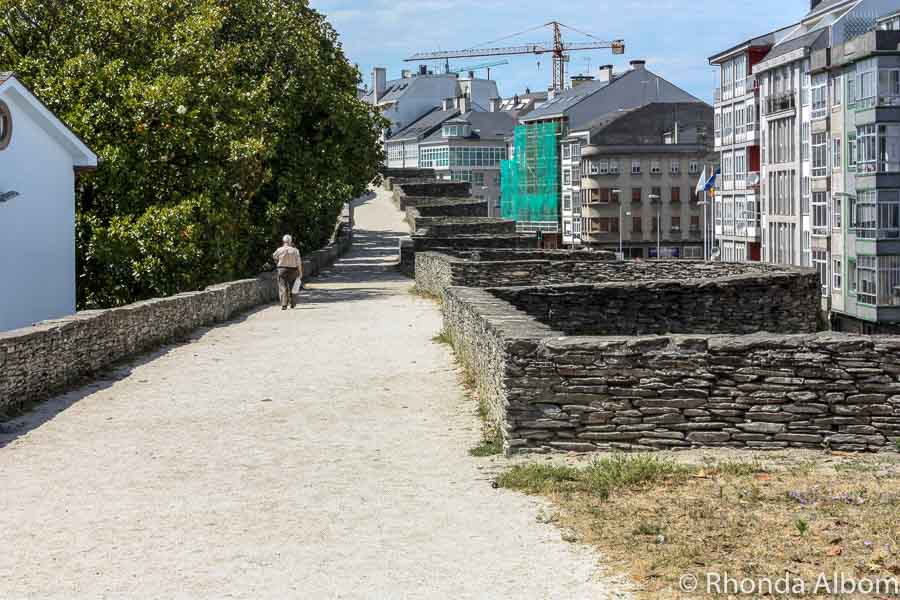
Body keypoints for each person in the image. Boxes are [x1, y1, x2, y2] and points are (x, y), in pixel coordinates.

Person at [273, 234, 302, 309]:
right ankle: (293, 303)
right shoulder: (295, 250)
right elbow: (299, 262)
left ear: (283, 241)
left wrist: (278, 263)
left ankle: (284, 304)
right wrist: (300, 272)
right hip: (293, 270)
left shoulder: (279, 249)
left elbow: (274, 257)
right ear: (290, 241)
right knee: (293, 287)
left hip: (282, 269)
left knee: (283, 286)